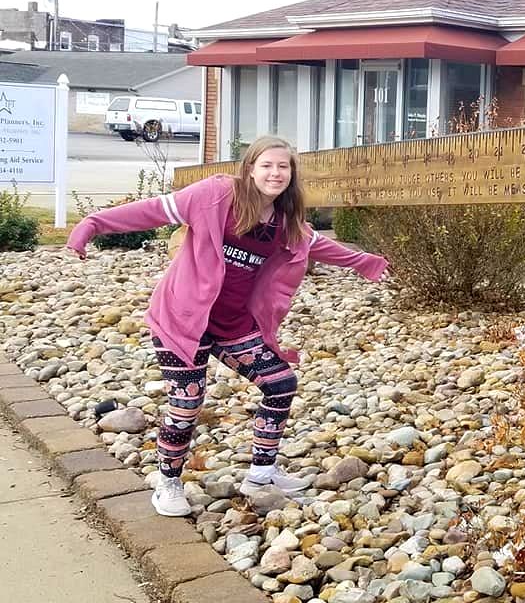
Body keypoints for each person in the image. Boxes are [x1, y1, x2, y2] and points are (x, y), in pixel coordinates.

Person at [66, 136, 389, 517]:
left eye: (283, 167)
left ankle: (261, 473)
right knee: (186, 403)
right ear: (250, 168)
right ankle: (168, 483)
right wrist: (91, 224)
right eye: (267, 165)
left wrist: (367, 263)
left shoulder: (286, 222)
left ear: (292, 174)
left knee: (280, 384)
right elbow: (154, 210)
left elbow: (321, 246)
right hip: (182, 319)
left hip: (232, 324)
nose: (275, 173)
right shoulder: (216, 195)